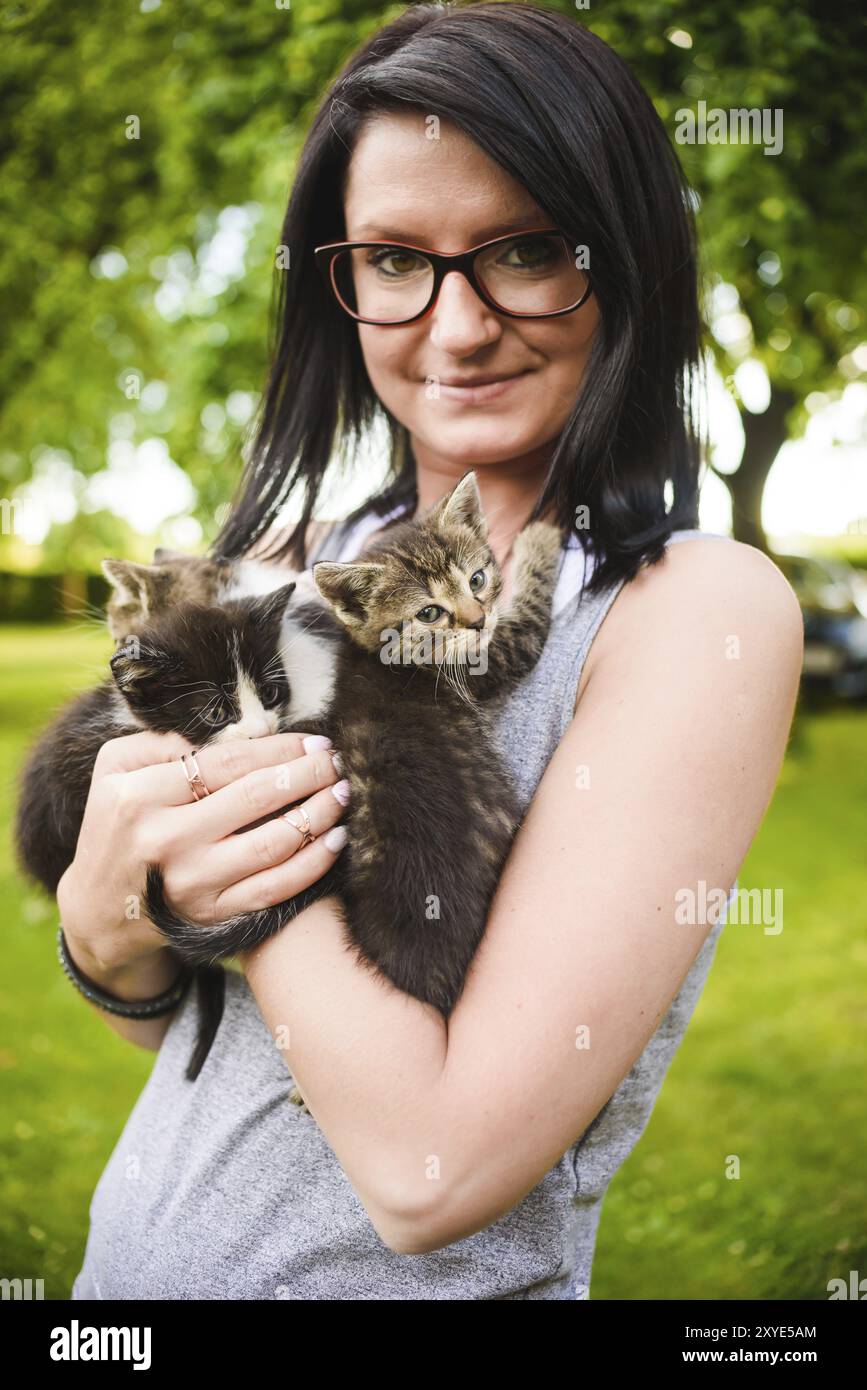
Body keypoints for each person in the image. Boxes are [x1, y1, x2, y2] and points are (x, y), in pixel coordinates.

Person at [63, 2, 802, 1299]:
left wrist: (235, 837)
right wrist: (104, 918)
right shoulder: (302, 550)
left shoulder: (691, 609)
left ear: (626, 255)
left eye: (526, 249)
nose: (457, 329)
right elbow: (204, 1040)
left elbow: (429, 1170)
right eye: (396, 259)